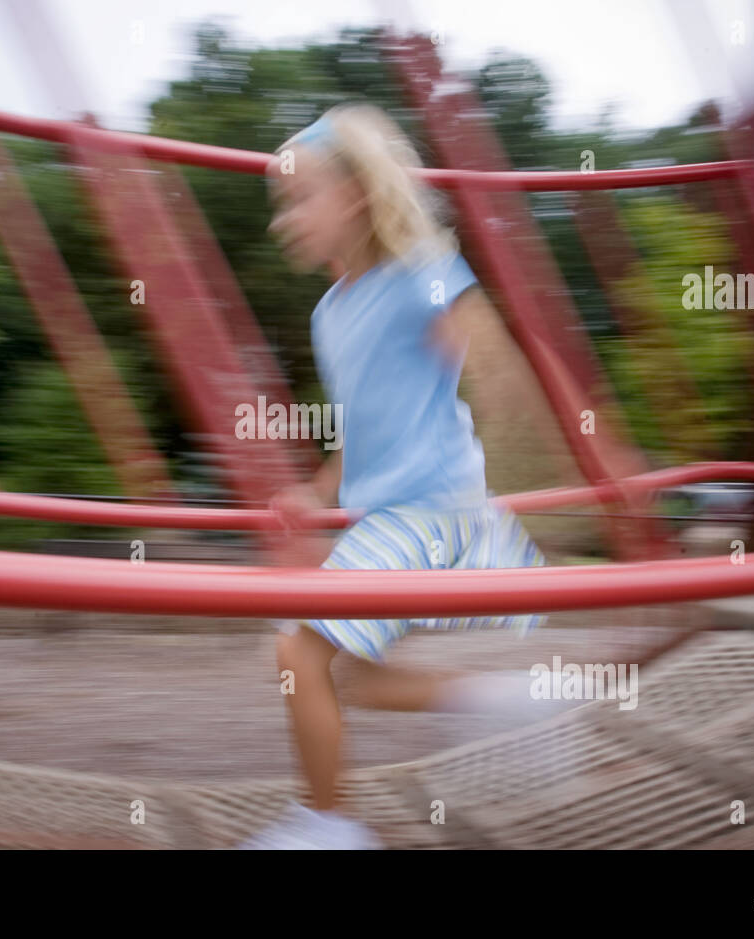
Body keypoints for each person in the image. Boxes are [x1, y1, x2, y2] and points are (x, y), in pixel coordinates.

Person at [240, 103, 560, 851]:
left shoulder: (419, 273)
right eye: (281, 204)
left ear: (354, 194)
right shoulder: (329, 312)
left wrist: (533, 456)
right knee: (345, 674)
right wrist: (315, 492)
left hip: (431, 512)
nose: (285, 219)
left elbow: (493, 363)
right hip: (388, 518)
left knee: (299, 653)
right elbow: (363, 427)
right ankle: (517, 705)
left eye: (301, 196)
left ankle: (327, 827)